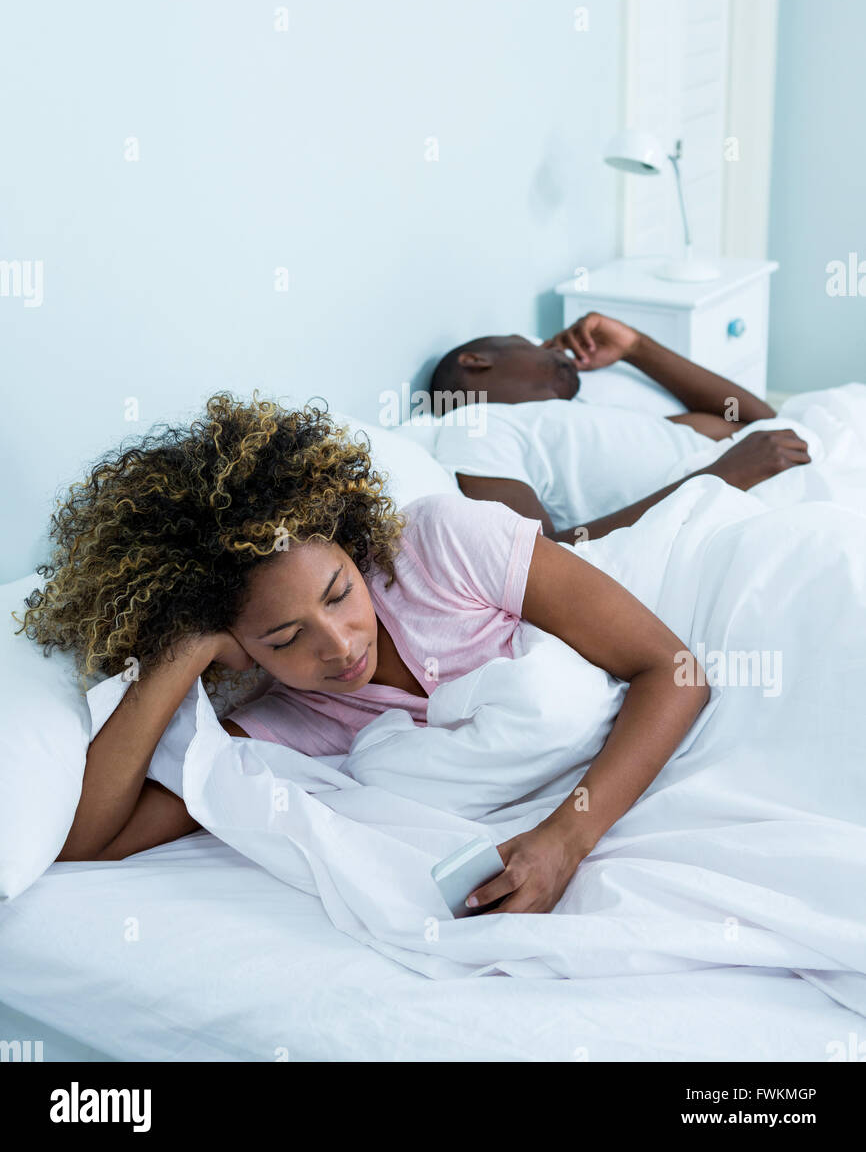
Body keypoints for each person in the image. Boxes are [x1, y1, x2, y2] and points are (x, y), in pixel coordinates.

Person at [21, 392, 710, 916]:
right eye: (286, 639)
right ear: (238, 652)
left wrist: (567, 839)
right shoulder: (286, 722)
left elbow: (674, 670)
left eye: (339, 592)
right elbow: (90, 841)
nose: (341, 644)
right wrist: (183, 649)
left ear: (351, 543)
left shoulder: (442, 543)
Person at [429, 312, 811, 540]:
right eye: (533, 345)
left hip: (795, 468)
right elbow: (539, 562)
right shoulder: (476, 425)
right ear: (477, 360)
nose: (556, 349)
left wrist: (635, 347)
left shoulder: (583, 418)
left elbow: (756, 420)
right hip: (758, 506)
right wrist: (719, 478)